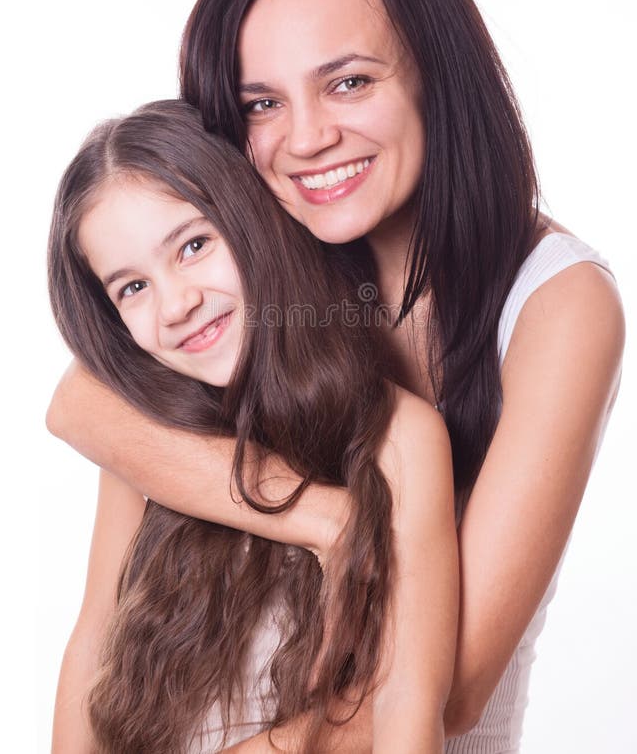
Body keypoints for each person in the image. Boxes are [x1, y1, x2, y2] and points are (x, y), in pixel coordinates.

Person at [47, 0, 624, 752]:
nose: (309, 138)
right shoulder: (269, 256)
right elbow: (82, 403)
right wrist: (318, 518)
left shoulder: (556, 302)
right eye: (261, 103)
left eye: (348, 81)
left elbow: (447, 687)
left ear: (433, 72)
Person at [47, 99, 457, 753]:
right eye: (132, 288)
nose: (176, 304)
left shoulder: (400, 438)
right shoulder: (149, 434)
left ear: (253, 220)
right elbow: (94, 638)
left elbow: (411, 699)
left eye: (193, 245)